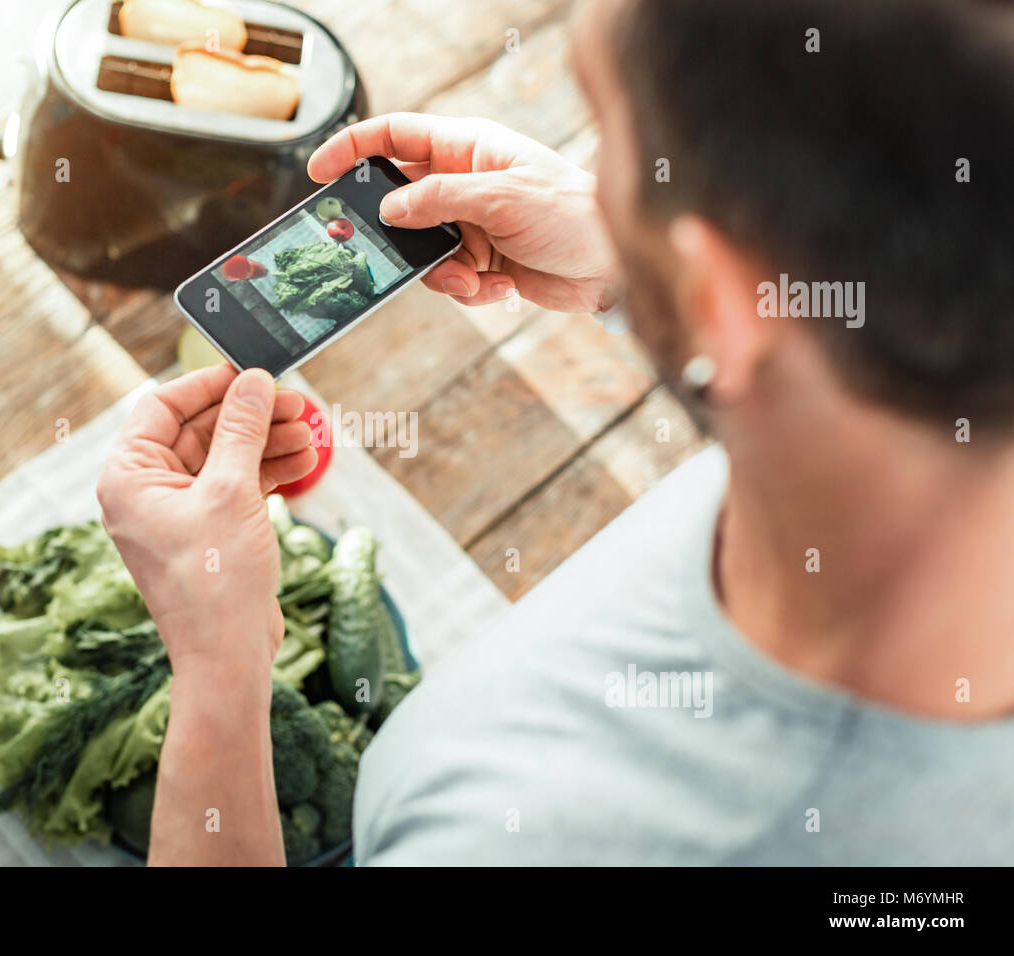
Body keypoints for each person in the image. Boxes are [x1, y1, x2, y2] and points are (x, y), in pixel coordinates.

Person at [97, 0, 1014, 865]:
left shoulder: (520, 837)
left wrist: (218, 666)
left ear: (719, 302)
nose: (589, 179)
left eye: (608, 137)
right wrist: (630, 266)